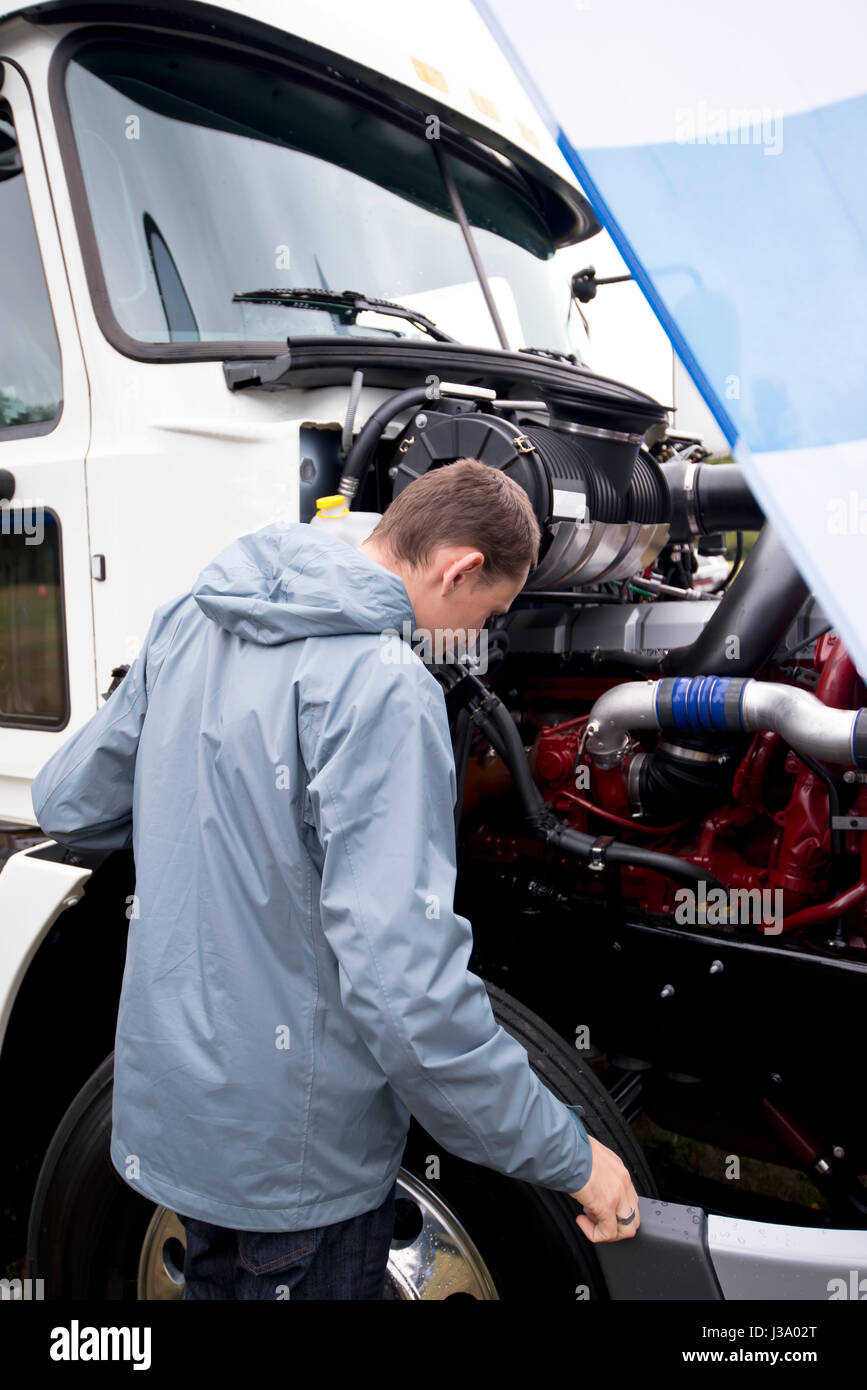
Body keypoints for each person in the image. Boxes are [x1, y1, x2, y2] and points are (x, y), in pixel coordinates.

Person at [29, 457, 640, 1301]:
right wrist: (571, 1156)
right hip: (296, 1175)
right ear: (458, 565)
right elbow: (406, 995)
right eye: (486, 612)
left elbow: (65, 800)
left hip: (179, 1133)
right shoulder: (385, 690)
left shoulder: (191, 616)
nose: (470, 639)